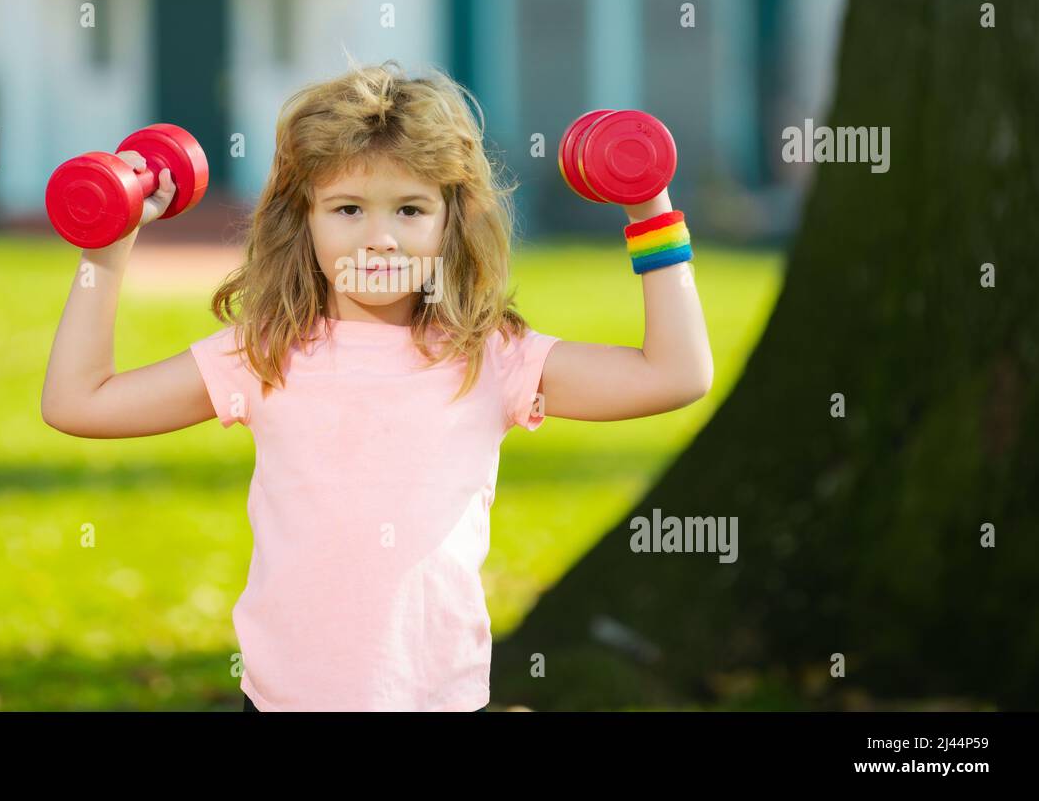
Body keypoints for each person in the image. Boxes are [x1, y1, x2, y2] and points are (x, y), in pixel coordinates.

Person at [41, 59, 714, 711]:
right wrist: (107, 245)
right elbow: (79, 403)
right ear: (301, 219)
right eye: (348, 209)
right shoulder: (263, 353)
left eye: (411, 210)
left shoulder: (489, 358)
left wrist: (647, 207)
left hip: (438, 699)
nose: (381, 239)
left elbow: (675, 375)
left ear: (454, 220)